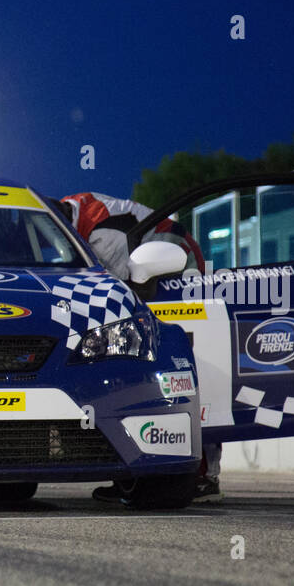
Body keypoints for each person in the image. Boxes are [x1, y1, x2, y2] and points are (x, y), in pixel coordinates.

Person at [55, 196, 221, 503]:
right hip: (151, 258)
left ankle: (202, 477)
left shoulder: (102, 238)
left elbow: (118, 294)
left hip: (175, 263)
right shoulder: (71, 208)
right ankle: (136, 475)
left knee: (188, 367)